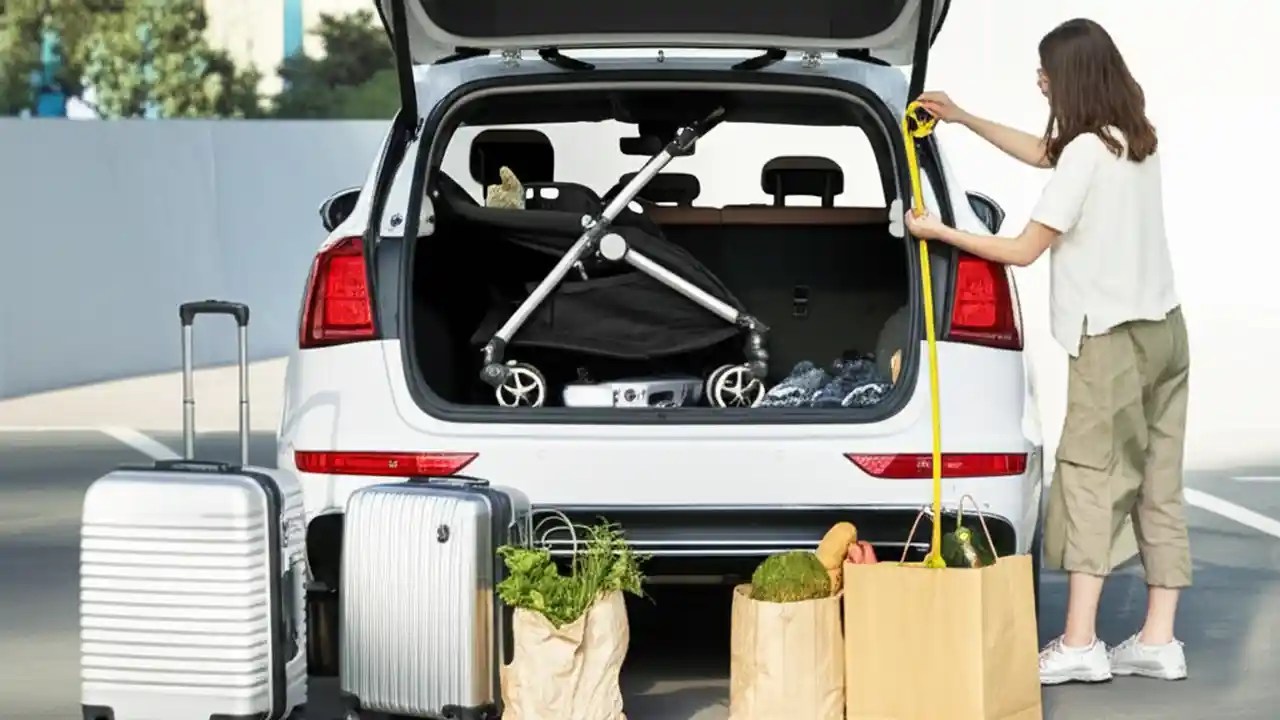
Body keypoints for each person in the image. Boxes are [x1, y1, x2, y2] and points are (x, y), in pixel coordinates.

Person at [904, 18, 1190, 685]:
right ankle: (1158, 639)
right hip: (1166, 333)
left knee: (1091, 478)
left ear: (1072, 77)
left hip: (1111, 340)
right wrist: (964, 118)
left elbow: (1026, 249)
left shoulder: (1088, 152)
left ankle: (1080, 642)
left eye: (1045, 71)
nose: (1039, 80)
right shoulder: (1131, 141)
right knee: (1158, 482)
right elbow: (1044, 153)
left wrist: (938, 231)